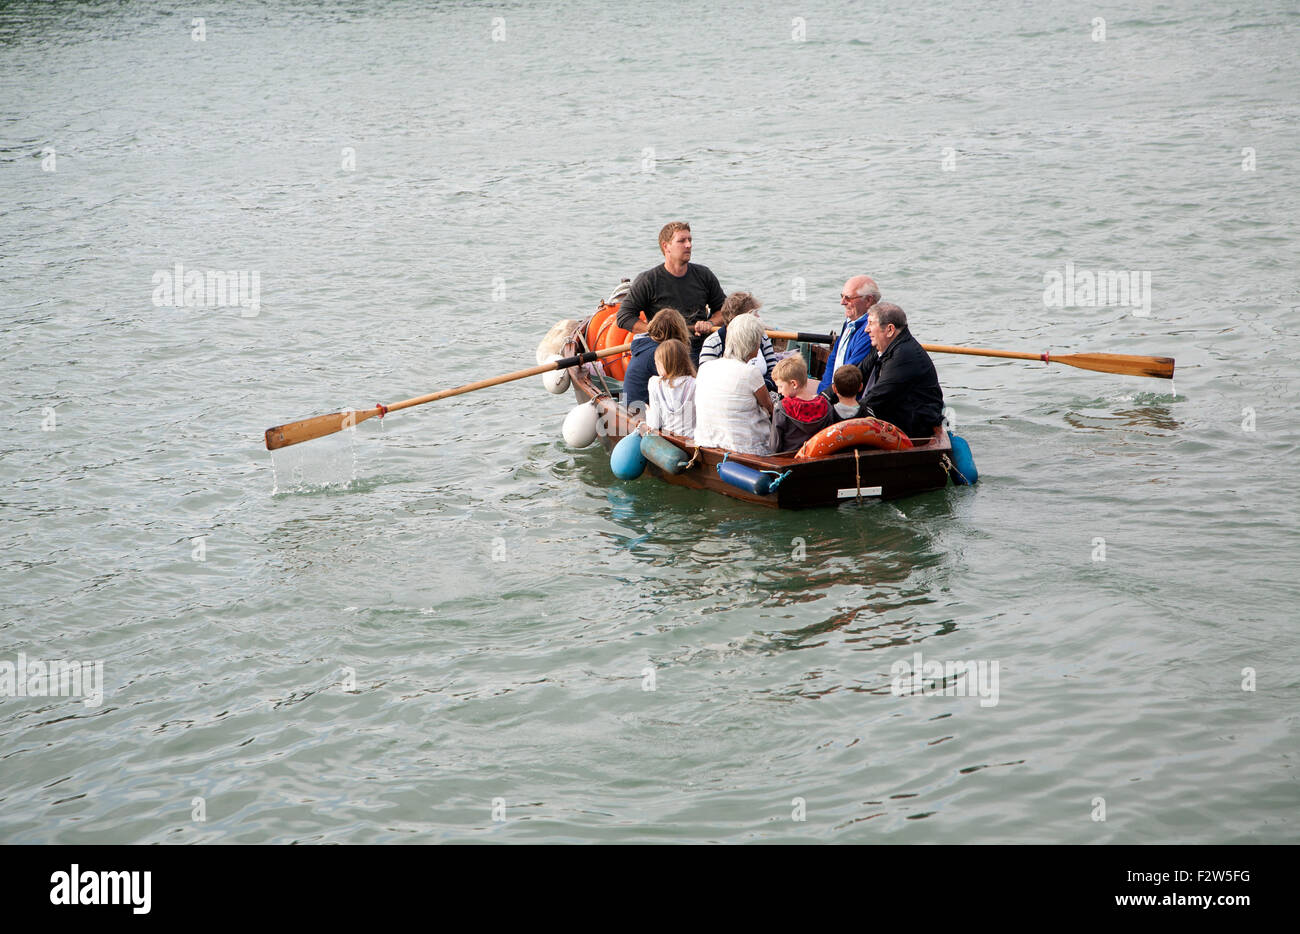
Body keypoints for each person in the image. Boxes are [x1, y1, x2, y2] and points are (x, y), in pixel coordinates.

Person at [616, 221, 727, 364]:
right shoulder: (648, 280)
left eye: (690, 240)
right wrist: (656, 332)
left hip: (700, 347)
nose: (689, 245)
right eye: (682, 241)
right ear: (666, 246)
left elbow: (724, 310)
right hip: (665, 349)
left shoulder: (704, 275)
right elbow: (624, 317)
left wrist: (710, 323)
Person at [856, 302, 945, 438]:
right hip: (895, 419)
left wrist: (842, 415)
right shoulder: (881, 347)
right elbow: (855, 376)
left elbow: (875, 397)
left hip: (915, 430)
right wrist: (824, 401)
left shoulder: (905, 355)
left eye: (870, 323)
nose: (866, 329)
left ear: (890, 329)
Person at [693, 314, 774, 455]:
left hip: (706, 443)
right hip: (748, 450)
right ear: (753, 344)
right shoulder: (751, 372)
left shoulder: (706, 368)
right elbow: (770, 409)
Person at [698, 291, 777, 387]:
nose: (758, 317)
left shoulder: (761, 336)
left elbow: (774, 373)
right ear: (737, 318)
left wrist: (759, 388)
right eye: (753, 313)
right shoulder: (713, 343)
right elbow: (705, 379)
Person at [817, 275, 880, 394]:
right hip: (833, 392)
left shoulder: (869, 331)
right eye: (842, 296)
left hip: (848, 397)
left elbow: (850, 373)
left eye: (848, 298)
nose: (842, 302)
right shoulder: (850, 322)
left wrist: (826, 397)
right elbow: (833, 358)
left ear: (868, 300)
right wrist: (823, 392)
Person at [620, 307, 691, 410]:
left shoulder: (644, 345)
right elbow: (678, 389)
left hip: (630, 407)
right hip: (641, 413)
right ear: (678, 331)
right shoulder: (660, 353)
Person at [769, 354, 836, 454]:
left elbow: (775, 447)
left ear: (794, 384)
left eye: (780, 386)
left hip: (788, 464)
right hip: (817, 460)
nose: (779, 391)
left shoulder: (781, 408)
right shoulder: (826, 405)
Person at [645, 339, 697, 438]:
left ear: (662, 364)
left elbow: (654, 424)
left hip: (669, 440)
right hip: (691, 441)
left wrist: (648, 411)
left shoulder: (655, 383)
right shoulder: (695, 384)